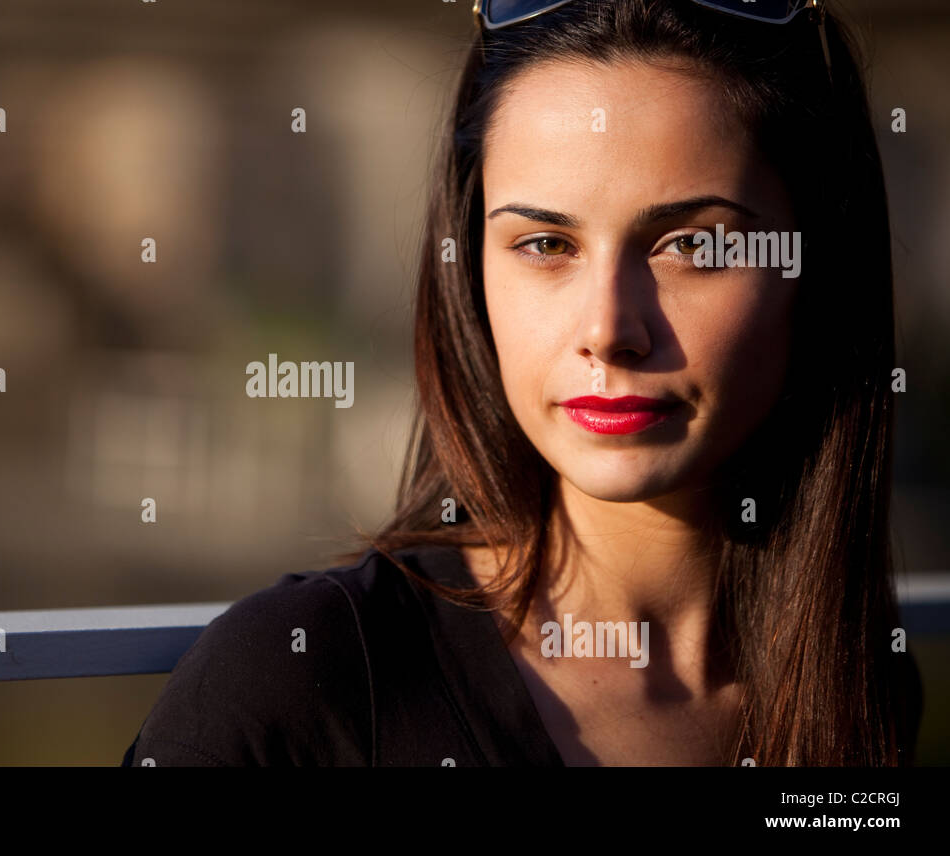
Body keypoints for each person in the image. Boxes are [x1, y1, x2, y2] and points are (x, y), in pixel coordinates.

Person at [120, 0, 922, 766]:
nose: (608, 329)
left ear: (815, 268)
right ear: (470, 268)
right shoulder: (296, 686)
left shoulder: (859, 684)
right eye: (545, 244)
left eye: (691, 246)